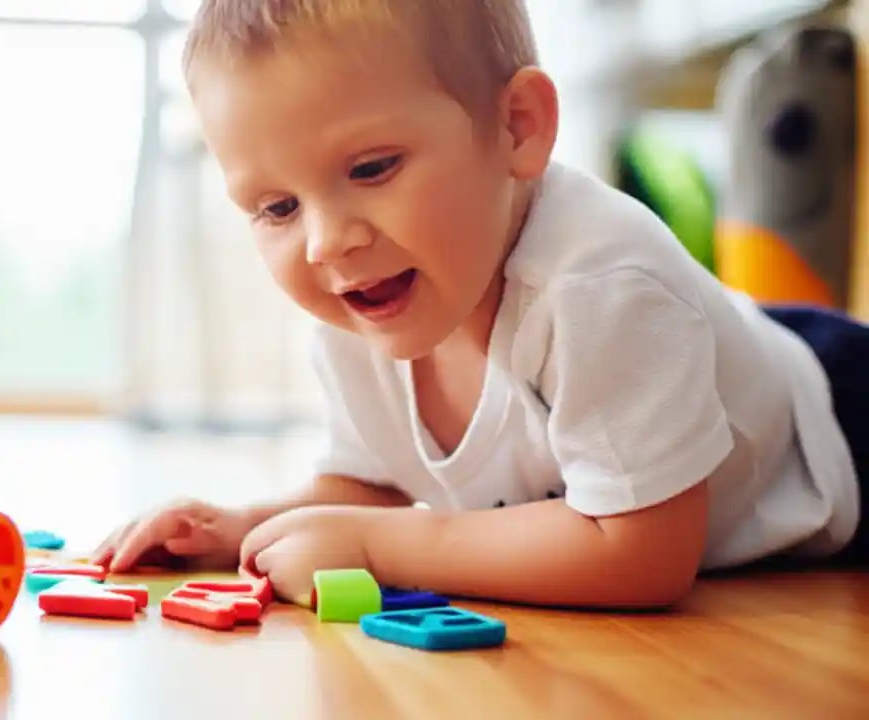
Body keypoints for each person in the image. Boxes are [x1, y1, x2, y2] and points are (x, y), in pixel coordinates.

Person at [91, 0, 867, 608]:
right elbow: (373, 485)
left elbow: (641, 556)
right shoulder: (358, 304)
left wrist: (381, 547)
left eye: (371, 167)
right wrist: (241, 529)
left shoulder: (599, 285)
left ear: (516, 128)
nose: (326, 243)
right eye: (277, 209)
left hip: (841, 423)